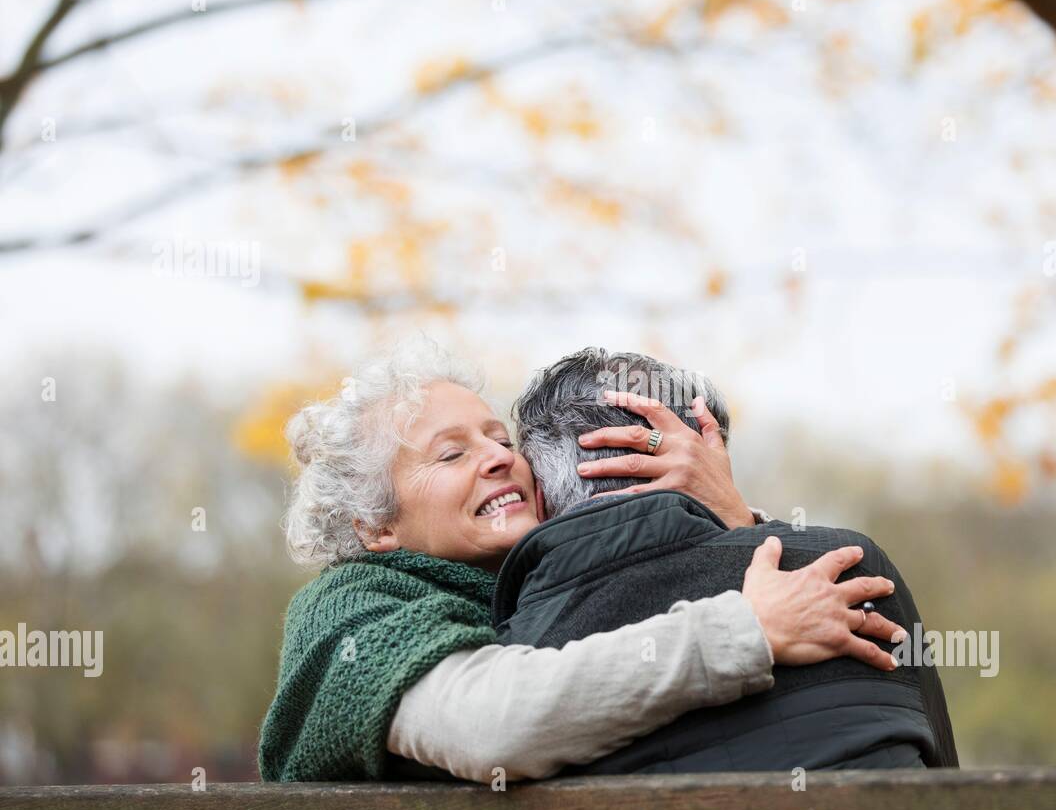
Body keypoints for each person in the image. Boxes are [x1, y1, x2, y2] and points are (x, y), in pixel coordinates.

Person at [257, 334, 903, 783]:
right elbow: (494, 726)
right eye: (451, 454)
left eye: (499, 438)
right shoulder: (348, 621)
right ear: (374, 524)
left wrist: (729, 517)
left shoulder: (530, 596)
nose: (499, 458)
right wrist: (747, 630)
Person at [493, 348, 960, 772]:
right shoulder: (842, 568)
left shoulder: (509, 654)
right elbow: (944, 782)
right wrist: (742, 523)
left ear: (538, 494)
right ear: (711, 468)